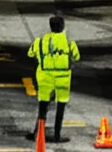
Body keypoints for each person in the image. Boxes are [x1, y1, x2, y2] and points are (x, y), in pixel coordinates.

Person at [27, 14, 80, 143]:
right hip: (63, 78)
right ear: (63, 26)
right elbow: (77, 57)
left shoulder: (40, 41)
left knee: (43, 107)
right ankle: (57, 135)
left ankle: (38, 133)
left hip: (45, 77)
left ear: (50, 27)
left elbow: (30, 53)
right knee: (60, 107)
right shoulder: (68, 42)